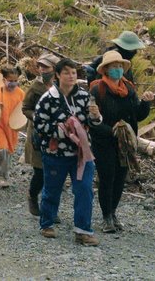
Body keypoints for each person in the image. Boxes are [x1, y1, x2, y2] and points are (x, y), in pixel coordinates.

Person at [33, 57, 102, 246]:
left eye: (73, 72)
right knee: (53, 189)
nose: (71, 76)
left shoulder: (85, 96)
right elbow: (39, 125)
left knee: (85, 189)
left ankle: (83, 230)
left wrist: (96, 117)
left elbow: (92, 123)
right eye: (66, 72)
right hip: (56, 153)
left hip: (81, 153)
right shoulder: (47, 99)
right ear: (57, 75)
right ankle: (46, 223)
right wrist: (63, 131)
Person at [89, 50, 154, 233]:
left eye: (120, 66)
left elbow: (138, 115)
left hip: (124, 143)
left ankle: (113, 212)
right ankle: (106, 216)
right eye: (114, 67)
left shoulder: (129, 89)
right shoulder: (97, 89)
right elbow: (92, 120)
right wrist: (112, 131)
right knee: (107, 177)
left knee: (119, 178)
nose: (117, 70)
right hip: (104, 141)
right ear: (106, 70)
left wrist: (146, 103)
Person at [22, 52, 55, 215]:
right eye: (40, 66)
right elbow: (25, 108)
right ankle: (33, 195)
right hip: (37, 134)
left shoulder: (61, 86)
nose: (42, 70)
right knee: (40, 171)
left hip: (56, 134)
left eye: (46, 67)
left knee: (54, 172)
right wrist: (36, 117)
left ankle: (49, 208)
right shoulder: (36, 87)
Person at [0, 63, 26, 187]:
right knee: (3, 149)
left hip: (12, 128)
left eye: (15, 81)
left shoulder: (20, 93)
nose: (13, 83)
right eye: (10, 81)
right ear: (4, 80)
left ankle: (3, 172)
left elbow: (23, 110)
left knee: (10, 151)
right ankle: (2, 176)